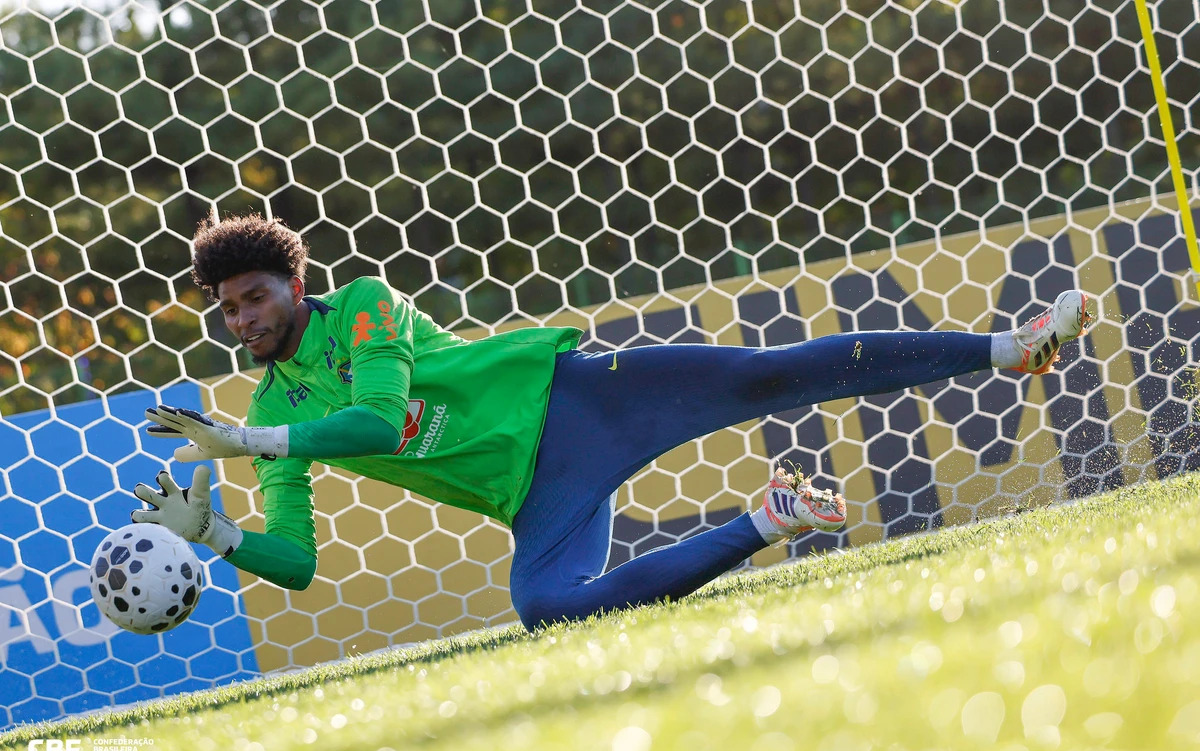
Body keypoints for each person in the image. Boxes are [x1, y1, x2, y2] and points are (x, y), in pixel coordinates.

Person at [131, 213, 1095, 629]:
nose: (243, 319)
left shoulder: (364, 306)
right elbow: (298, 564)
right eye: (228, 308)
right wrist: (217, 535)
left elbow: (382, 422)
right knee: (546, 609)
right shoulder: (270, 407)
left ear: (294, 284)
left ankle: (1009, 349)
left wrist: (243, 444)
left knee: (769, 373)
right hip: (537, 497)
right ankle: (771, 520)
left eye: (255, 296)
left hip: (578, 401)